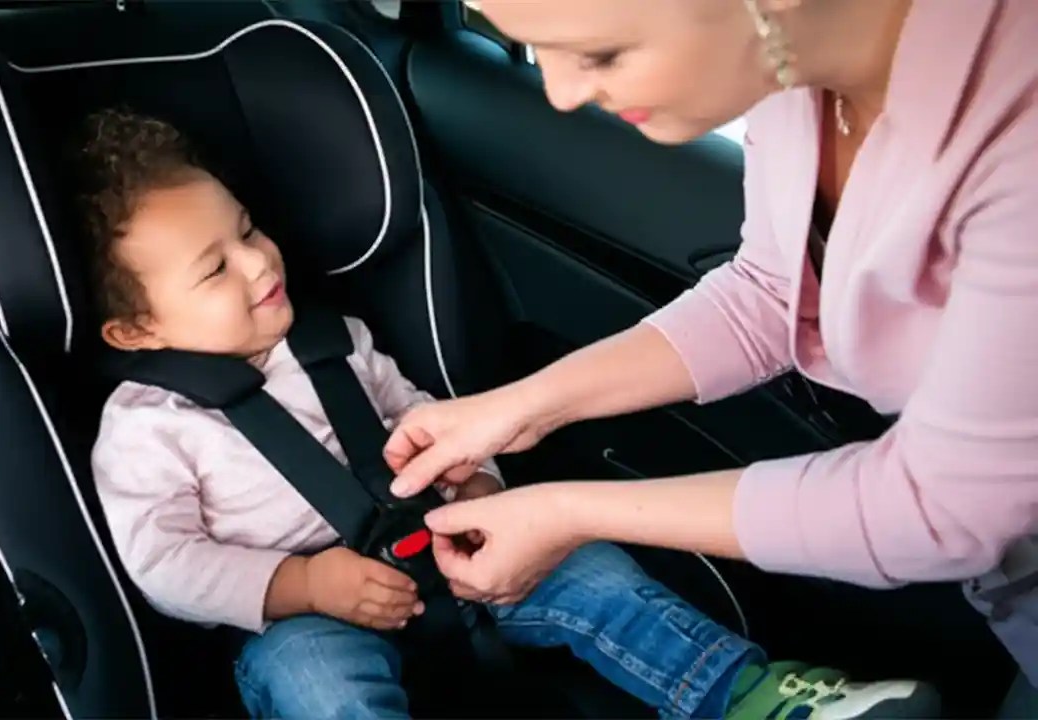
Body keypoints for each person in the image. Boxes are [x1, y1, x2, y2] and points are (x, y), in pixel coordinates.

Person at [75, 107, 936, 719]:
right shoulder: (147, 425)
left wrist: (475, 480)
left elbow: (411, 413)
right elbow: (164, 560)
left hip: (445, 547)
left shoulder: (333, 339)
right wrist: (297, 587)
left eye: (249, 230)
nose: (258, 261)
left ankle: (740, 693)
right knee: (317, 692)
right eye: (214, 270)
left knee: (594, 572)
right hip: (306, 618)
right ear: (137, 329)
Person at [382, 0, 1038, 684]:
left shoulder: (1020, 132)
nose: (561, 93)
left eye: (602, 55)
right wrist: (525, 405)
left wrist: (565, 513)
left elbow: (939, 507)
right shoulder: (790, 64)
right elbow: (773, 292)